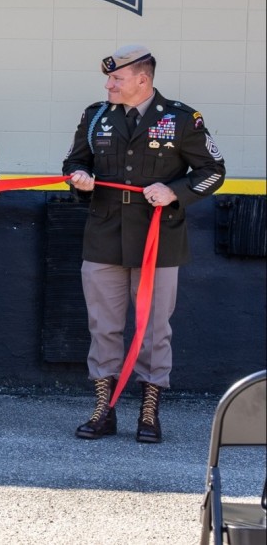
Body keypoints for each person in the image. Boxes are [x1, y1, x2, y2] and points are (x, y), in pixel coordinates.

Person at [64, 45, 225, 444]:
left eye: (116, 79)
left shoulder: (182, 119)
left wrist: (174, 192)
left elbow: (214, 172)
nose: (109, 84)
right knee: (103, 326)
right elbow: (73, 162)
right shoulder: (96, 115)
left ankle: (149, 410)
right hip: (103, 235)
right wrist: (79, 177)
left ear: (143, 80)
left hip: (158, 237)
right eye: (109, 78)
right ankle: (105, 407)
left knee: (154, 329)